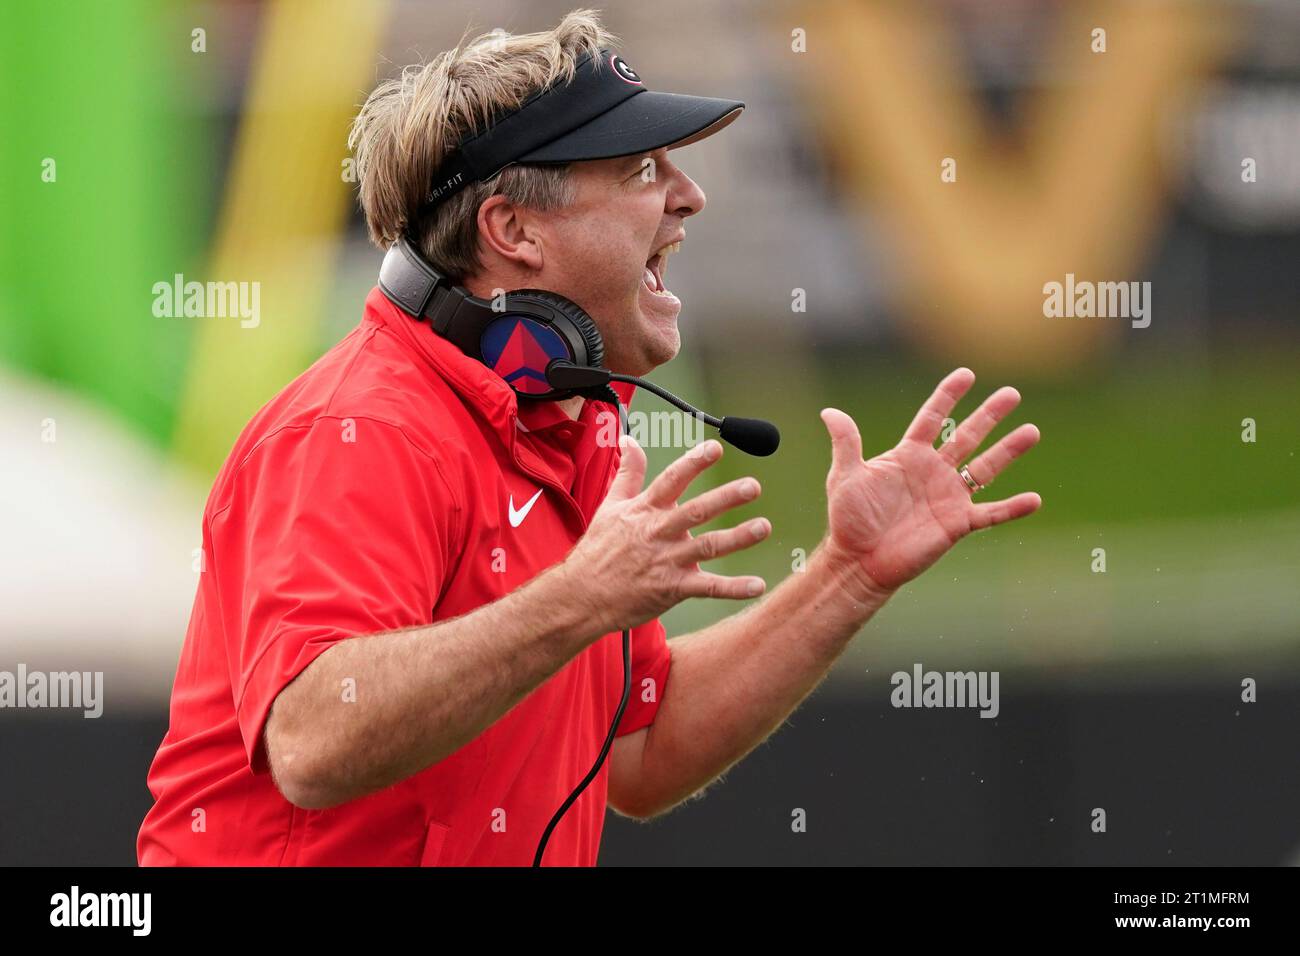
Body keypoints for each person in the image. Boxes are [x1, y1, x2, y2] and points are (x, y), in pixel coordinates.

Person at [137, 9, 1041, 867]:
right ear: (513, 230)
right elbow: (313, 739)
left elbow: (641, 752)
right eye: (642, 169)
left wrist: (849, 572)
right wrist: (580, 598)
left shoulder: (573, 421)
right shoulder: (358, 430)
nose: (688, 197)